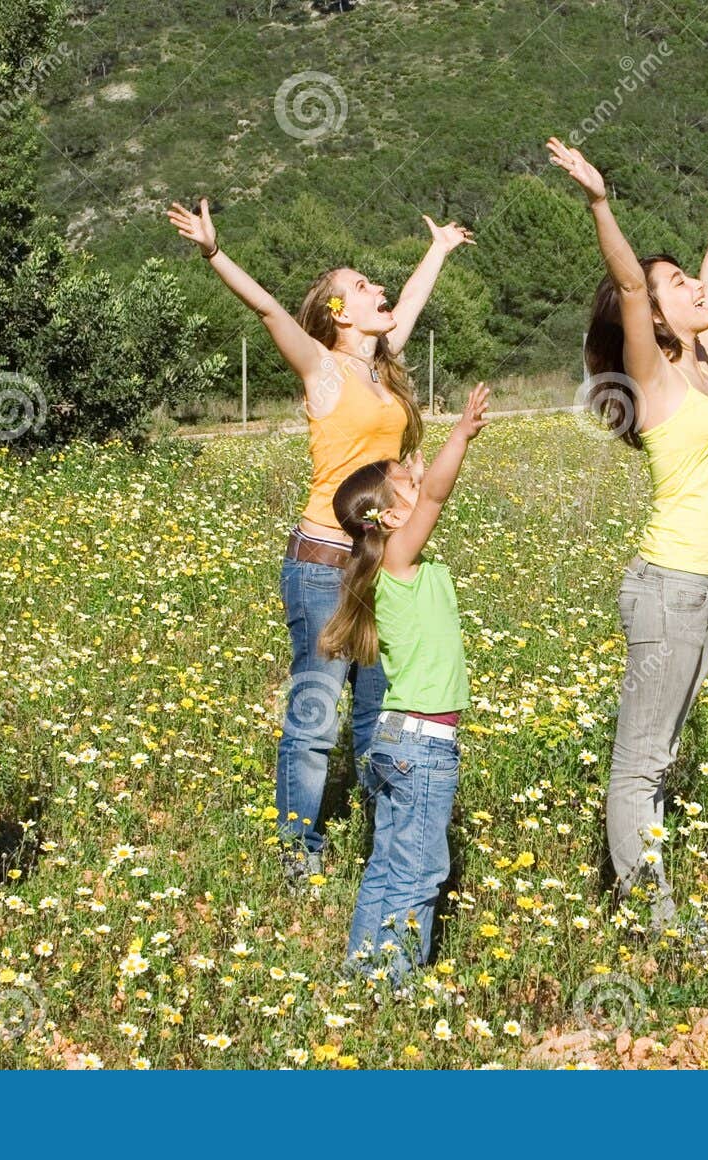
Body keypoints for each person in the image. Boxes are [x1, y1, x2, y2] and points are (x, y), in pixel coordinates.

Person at [166, 198, 472, 887]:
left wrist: (440, 251)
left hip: (378, 561)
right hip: (322, 563)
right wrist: (214, 251)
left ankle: (375, 836)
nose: (378, 290)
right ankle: (297, 857)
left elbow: (409, 305)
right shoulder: (323, 369)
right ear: (338, 313)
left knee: (377, 711)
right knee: (314, 718)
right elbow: (270, 311)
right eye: (362, 285)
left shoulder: (381, 367)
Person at [548, 137, 708, 931]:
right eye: (677, 286)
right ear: (655, 317)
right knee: (640, 766)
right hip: (669, 586)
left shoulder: (698, 361)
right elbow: (631, 283)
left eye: (687, 278)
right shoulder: (657, 373)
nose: (694, 287)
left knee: (660, 759)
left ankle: (649, 903)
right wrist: (600, 200)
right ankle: (652, 922)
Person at [319, 384, 492, 981]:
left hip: (397, 741)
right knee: (419, 874)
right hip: (423, 747)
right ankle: (391, 991)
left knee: (387, 867)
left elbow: (425, 494)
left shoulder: (397, 568)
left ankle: (359, 977)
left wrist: (411, 464)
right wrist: (461, 436)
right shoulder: (396, 561)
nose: (420, 489)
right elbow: (437, 495)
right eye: (407, 488)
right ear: (392, 517)